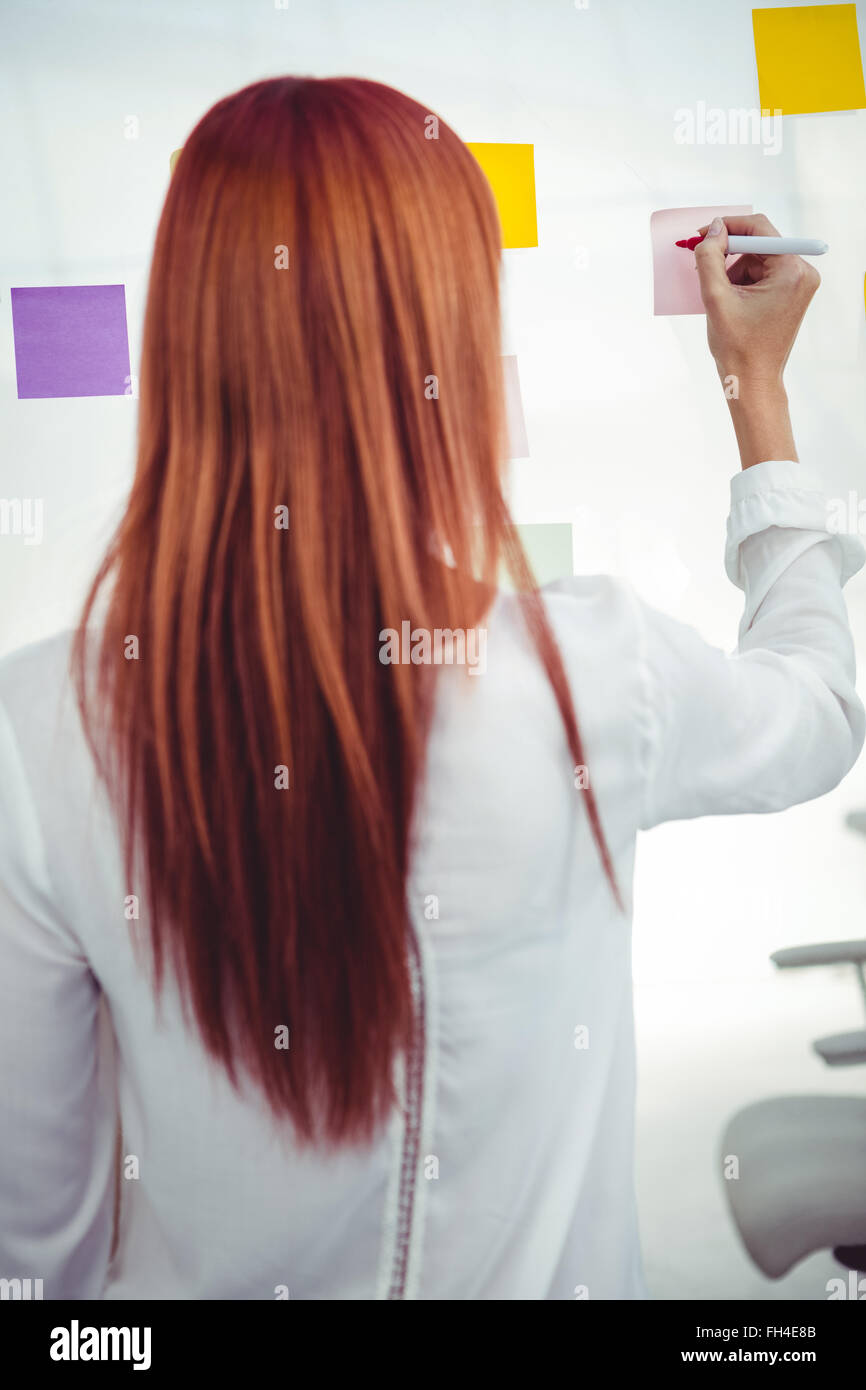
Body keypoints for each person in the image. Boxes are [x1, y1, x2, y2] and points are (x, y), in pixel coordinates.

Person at [0, 77, 861, 1301]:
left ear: (187, 335)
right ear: (446, 346)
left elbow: (40, 1271)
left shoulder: (40, 738)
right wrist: (755, 392)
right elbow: (815, 707)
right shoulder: (592, 673)